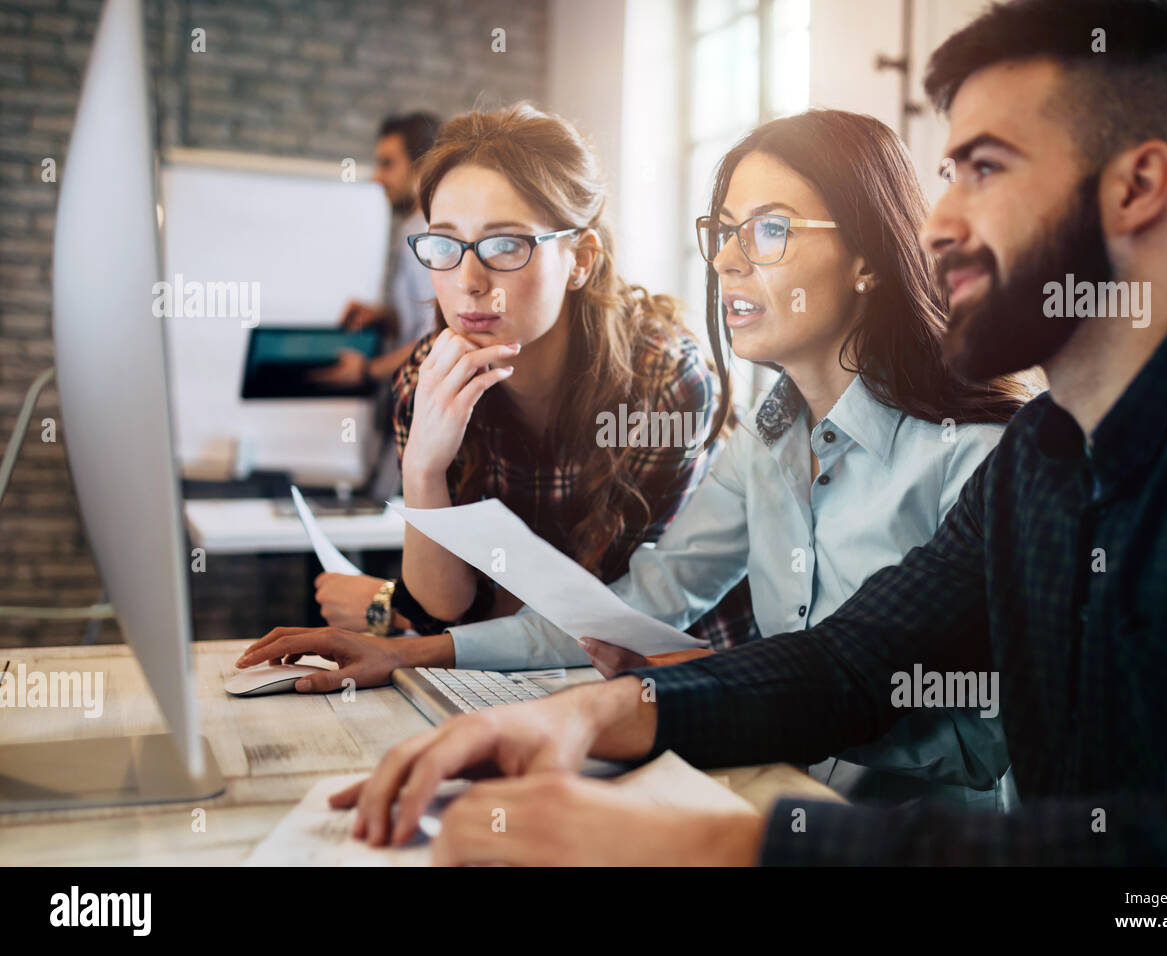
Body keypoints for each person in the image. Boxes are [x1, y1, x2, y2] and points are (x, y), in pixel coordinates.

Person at [325, 0, 1167, 866]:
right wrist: (590, 711)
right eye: (947, 171)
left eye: (986, 169)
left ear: (1138, 187)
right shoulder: (1046, 453)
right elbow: (850, 662)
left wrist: (725, 841)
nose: (935, 221)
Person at [250, 108, 1032, 809]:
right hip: (754, 796)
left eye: (768, 230)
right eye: (723, 231)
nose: (727, 261)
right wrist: (412, 650)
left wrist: (728, 705)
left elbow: (987, 740)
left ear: (868, 257)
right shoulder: (766, 444)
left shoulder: (980, 462)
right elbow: (643, 604)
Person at [242, 103, 753, 668]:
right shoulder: (427, 374)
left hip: (684, 681)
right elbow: (446, 604)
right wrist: (422, 469)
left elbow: (604, 616)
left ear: (580, 260)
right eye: (444, 244)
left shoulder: (661, 381)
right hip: (518, 673)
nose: (467, 281)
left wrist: (388, 608)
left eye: (506, 244)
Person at [314, 112, 443, 391]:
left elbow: (437, 337)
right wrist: (385, 316)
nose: (377, 176)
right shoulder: (411, 227)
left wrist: (367, 370)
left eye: (388, 164)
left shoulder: (427, 236)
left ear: (422, 167)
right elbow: (423, 319)